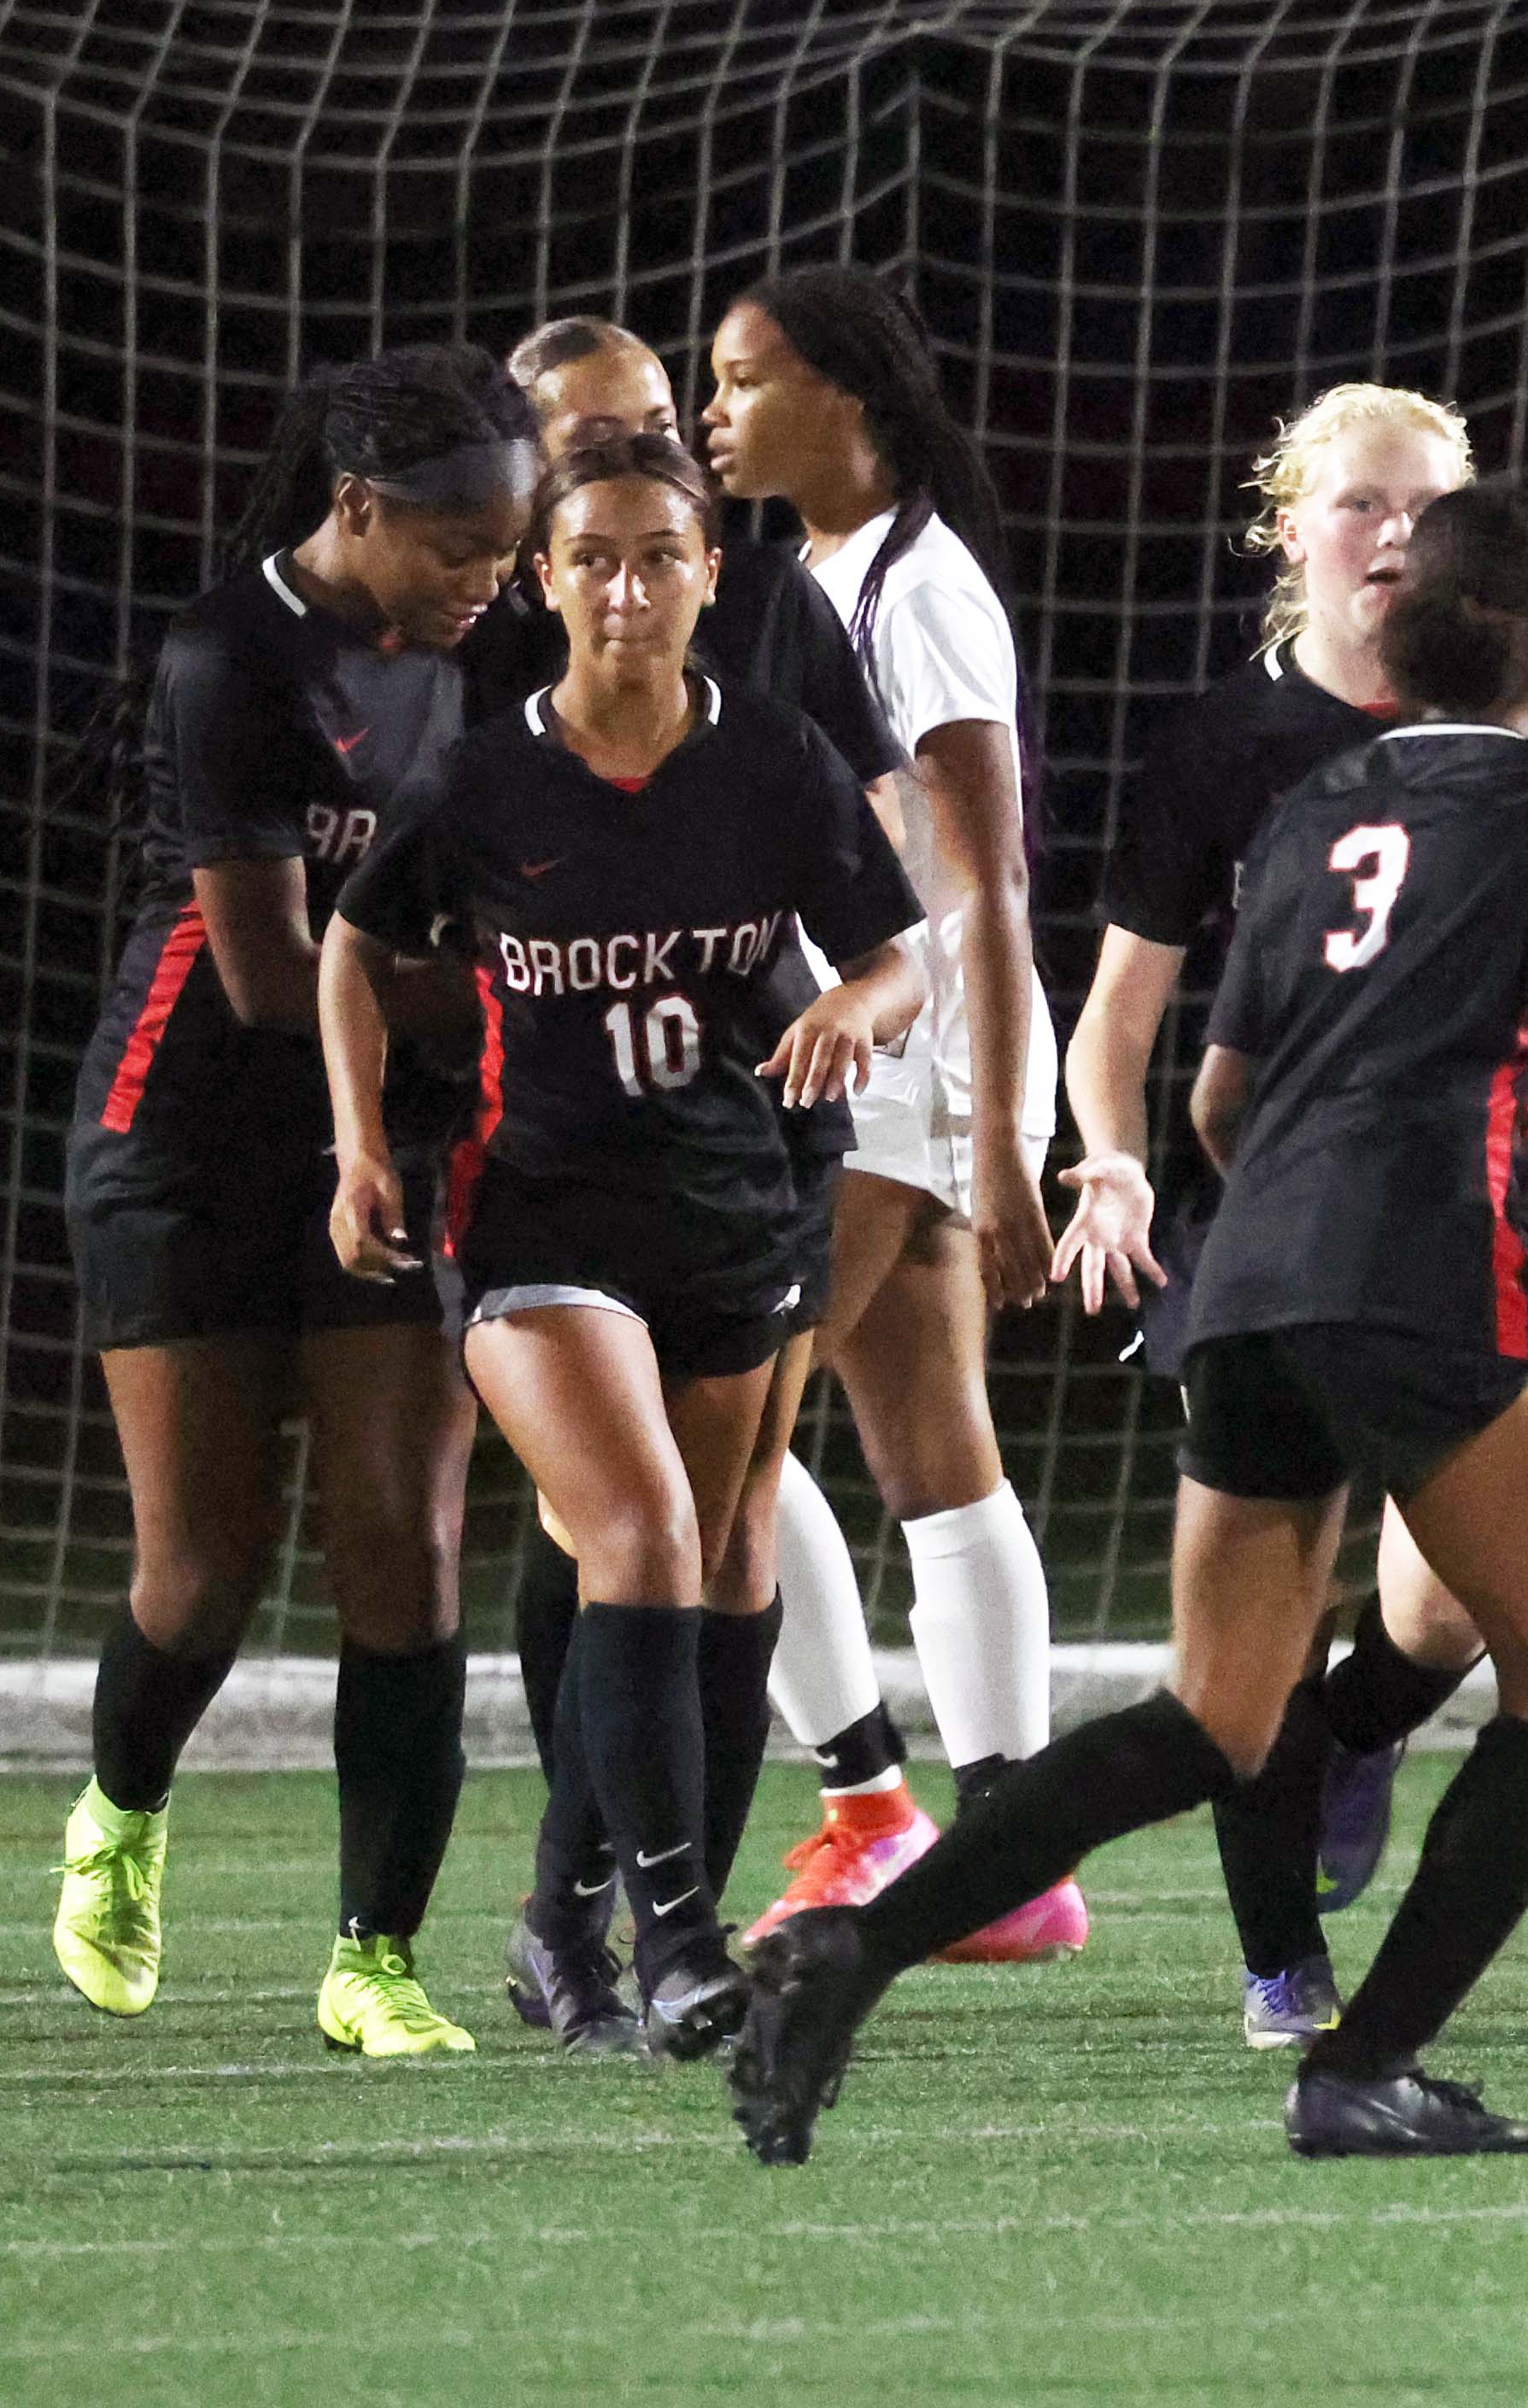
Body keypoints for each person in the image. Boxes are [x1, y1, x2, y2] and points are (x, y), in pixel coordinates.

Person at [734, 485, 1528, 2160]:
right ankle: (1363, 2062)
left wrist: (1302, 1219)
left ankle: (855, 1949)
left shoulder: (1311, 810)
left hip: (1247, 1282)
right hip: (1427, 1271)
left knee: (1213, 1714)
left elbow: (1216, 1097)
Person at [1062, 383, 1528, 2049]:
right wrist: (1110, 1158)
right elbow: (1122, 1015)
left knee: (1443, 1611)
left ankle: (1355, 1738)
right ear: (1291, 526)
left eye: (1425, 510)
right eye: (1360, 504)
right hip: (1267, 1223)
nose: (1394, 537)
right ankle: (1281, 1963)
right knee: (1254, 1646)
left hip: (1454, 1220)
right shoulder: (1224, 743)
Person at [321, 431, 928, 2056]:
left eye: (661, 555)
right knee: (646, 1529)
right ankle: (675, 1942)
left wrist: (856, 1012)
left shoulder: (773, 757)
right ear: (546, 579)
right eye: (592, 557)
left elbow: (899, 956)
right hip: (533, 1208)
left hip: (724, 1203)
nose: (629, 587)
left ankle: (558, 1923)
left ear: (710, 575)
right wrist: (362, 1142)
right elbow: (352, 947)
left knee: (710, 1564)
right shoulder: (486, 776)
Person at [48, 345, 531, 2058]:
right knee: (204, 1569)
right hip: (188, 1139)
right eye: (458, 547)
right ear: (356, 509)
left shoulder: (490, 652)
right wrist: (516, 995)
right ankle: (120, 1813)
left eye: (509, 549)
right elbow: (267, 975)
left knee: (405, 1544)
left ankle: (371, 1959)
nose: (489, 580)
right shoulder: (228, 656)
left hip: (392, 1137)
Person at [466, 315, 907, 2051]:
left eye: (653, 422)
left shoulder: (756, 598)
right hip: (554, 1144)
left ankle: (633, 1923)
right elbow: (395, 913)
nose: (633, 457)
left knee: (722, 1534)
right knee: (608, 1524)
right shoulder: (495, 638)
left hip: (753, 1116)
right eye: (586, 442)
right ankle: (616, 1925)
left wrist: (844, 987)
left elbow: (875, 828)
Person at [698, 268, 1080, 1964]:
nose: (715, 413)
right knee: (930, 1433)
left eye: (744, 380)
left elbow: (988, 878)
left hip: (911, 1061)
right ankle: (1014, 1852)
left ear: (844, 399)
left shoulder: (917, 588)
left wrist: (998, 1134)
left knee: (724, 1438)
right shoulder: (824, 572)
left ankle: (870, 1815)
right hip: (896, 1056)